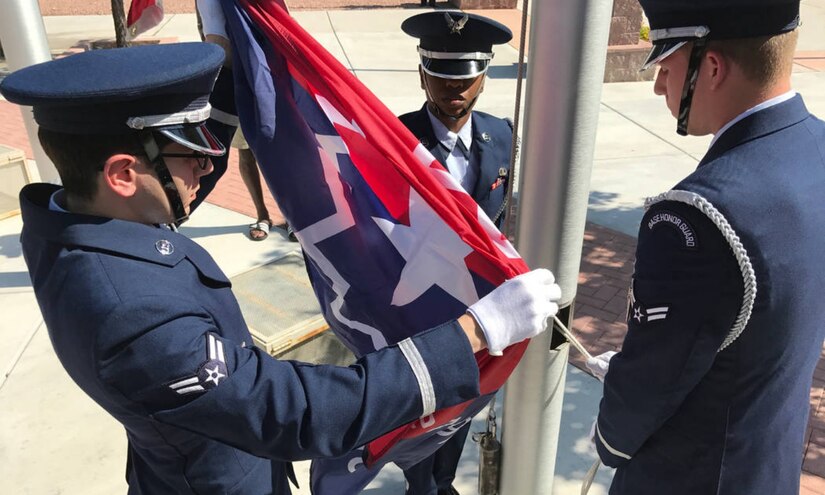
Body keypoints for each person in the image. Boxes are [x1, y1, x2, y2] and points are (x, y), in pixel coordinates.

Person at [2, 42, 562, 495]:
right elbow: (296, 414)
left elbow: (165, 186)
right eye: (188, 153)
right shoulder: (132, 316)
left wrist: (240, 43)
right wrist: (474, 333)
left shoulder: (76, 217)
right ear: (123, 174)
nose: (207, 165)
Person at [587, 0, 825, 493]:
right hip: (768, 465)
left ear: (710, 67)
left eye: (667, 66)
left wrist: (609, 435)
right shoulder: (818, 146)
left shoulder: (695, 216)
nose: (658, 86)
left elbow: (645, 390)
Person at [311, 11, 514, 495]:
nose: (453, 89)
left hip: (479, 313)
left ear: (484, 76)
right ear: (422, 73)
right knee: (417, 421)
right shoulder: (392, 142)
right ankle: (423, 486)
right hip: (414, 312)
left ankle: (440, 482)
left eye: (465, 76)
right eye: (441, 75)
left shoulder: (503, 137)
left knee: (459, 413)